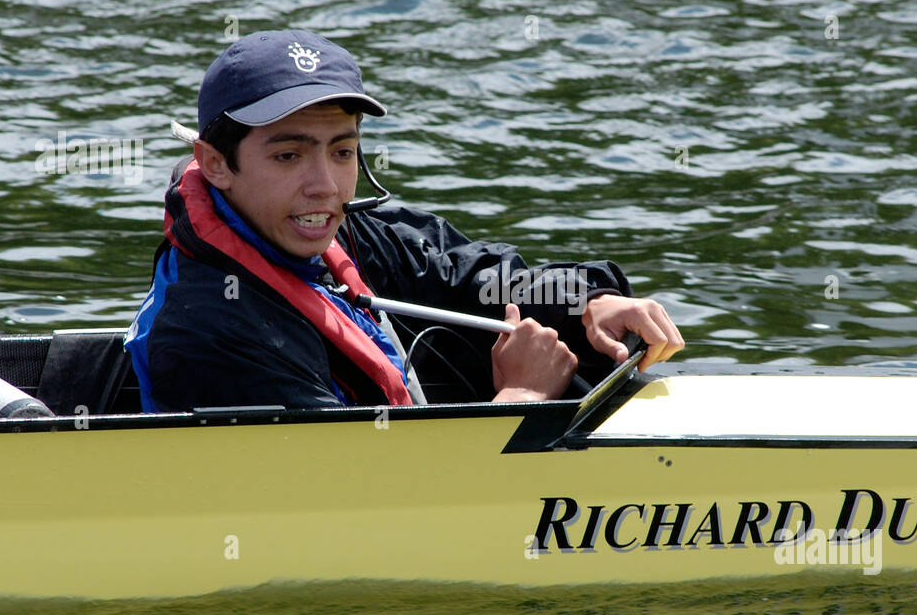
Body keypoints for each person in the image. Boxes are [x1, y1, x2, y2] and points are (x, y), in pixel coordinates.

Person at [124, 29, 683, 412]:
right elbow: (349, 503)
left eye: (341, 152)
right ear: (215, 163)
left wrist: (590, 302)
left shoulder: (343, 235)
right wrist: (521, 402)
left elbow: (477, 278)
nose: (325, 184)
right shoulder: (208, 328)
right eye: (288, 155)